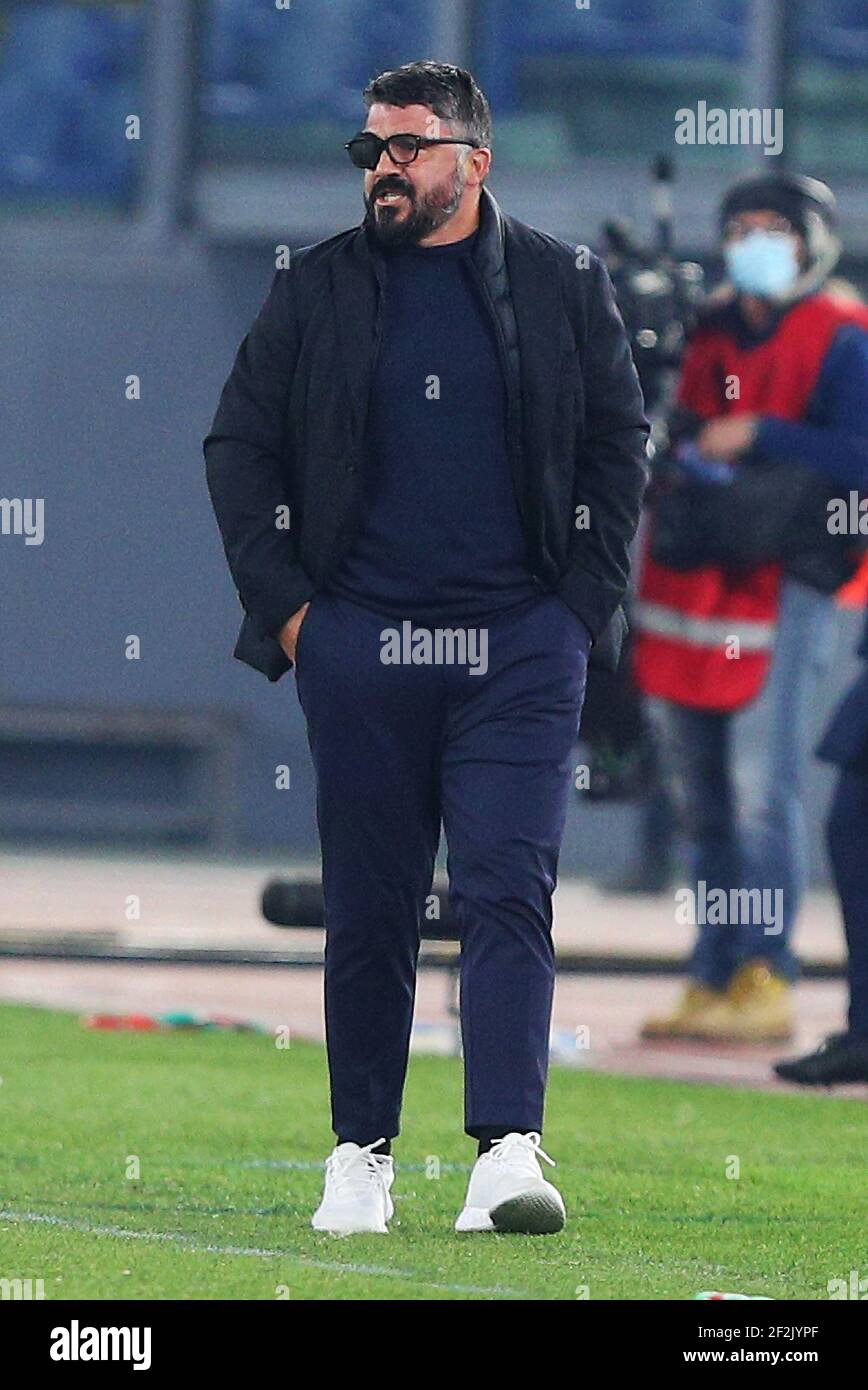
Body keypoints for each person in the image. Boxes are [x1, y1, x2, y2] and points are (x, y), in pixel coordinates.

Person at [204, 61, 648, 1234]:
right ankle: (361, 1154)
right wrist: (299, 616)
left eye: (405, 148)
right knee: (370, 904)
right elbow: (238, 447)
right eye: (370, 149)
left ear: (473, 160)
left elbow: (619, 445)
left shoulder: (560, 283)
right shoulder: (316, 289)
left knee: (508, 885)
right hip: (362, 643)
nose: (382, 169)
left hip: (517, 648)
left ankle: (508, 1148)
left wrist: (576, 614)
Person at [633, 172, 868, 1043]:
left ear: (811, 242)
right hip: (694, 582)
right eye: (741, 228)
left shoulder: (844, 335)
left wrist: (762, 434)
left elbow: (859, 453)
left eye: (775, 228)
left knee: (761, 790)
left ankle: (768, 971)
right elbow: (661, 422)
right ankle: (713, 968)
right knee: (702, 795)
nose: (755, 243)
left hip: (791, 581)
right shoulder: (703, 329)